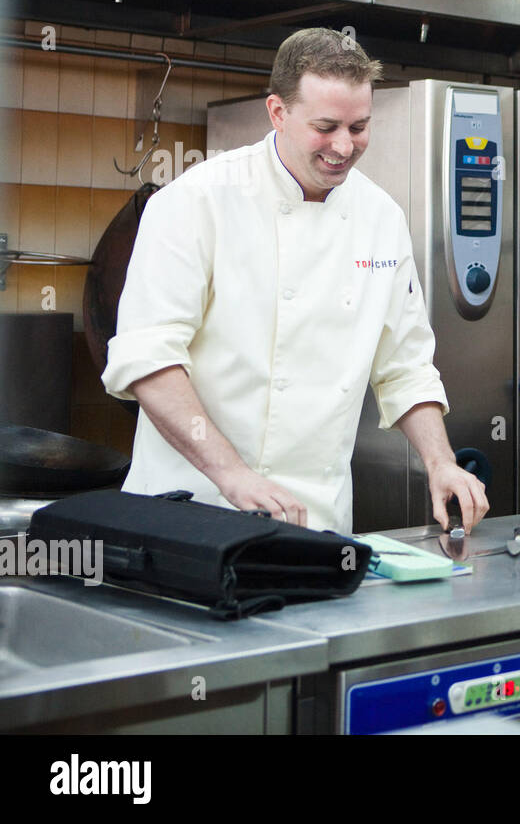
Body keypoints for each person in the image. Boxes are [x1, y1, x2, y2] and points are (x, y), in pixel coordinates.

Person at [102, 28, 488, 534]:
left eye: (360, 126)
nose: (344, 146)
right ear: (278, 112)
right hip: (192, 507)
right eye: (326, 126)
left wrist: (439, 462)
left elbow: (406, 366)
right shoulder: (196, 201)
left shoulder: (379, 218)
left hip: (317, 522)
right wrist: (233, 476)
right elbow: (148, 359)